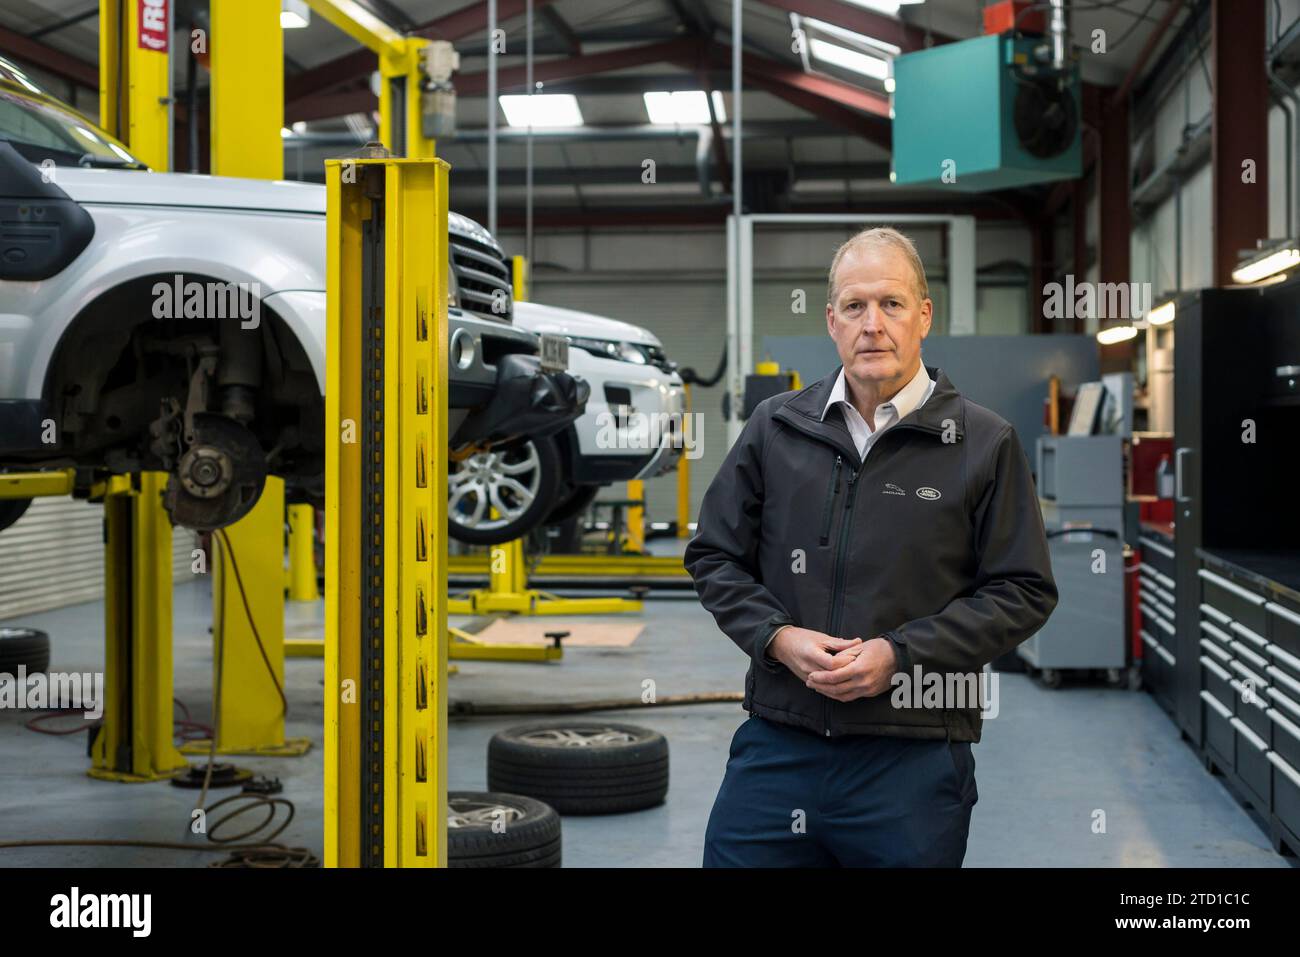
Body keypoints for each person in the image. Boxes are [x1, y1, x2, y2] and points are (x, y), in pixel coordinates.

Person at [684, 226, 1058, 867]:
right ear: (831, 321)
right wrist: (776, 637)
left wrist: (900, 654)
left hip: (912, 757)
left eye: (891, 304)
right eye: (855, 306)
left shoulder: (983, 442)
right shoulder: (776, 428)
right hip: (780, 744)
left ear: (923, 316)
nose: (873, 324)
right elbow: (713, 554)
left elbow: (1023, 590)